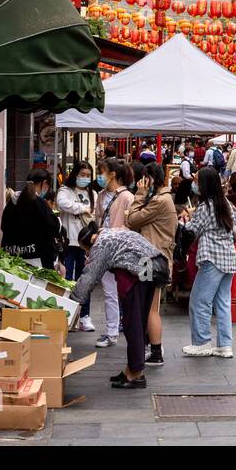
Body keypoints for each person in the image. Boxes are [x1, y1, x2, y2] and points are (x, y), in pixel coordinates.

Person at [73, 223, 164, 389]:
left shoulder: (102, 243)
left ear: (90, 241)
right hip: (148, 264)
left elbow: (90, 276)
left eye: (85, 249)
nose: (87, 254)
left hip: (137, 271)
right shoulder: (111, 232)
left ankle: (136, 374)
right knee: (138, 320)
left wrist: (74, 301)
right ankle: (131, 369)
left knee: (133, 323)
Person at [125, 161, 178, 368]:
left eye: (144, 179)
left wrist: (139, 194)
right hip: (155, 256)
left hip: (153, 259)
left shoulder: (160, 201)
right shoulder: (161, 199)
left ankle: (156, 351)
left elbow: (134, 219)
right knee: (148, 305)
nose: (141, 183)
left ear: (150, 179)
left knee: (150, 307)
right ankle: (151, 346)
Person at [181, 166, 236, 359]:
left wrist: (184, 222)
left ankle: (202, 342)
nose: (195, 184)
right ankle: (225, 345)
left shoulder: (205, 207)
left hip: (212, 258)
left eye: (197, 181)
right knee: (222, 303)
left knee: (199, 301)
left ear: (204, 184)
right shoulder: (226, 204)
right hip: (229, 258)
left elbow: (192, 230)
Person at [89, 158, 133, 349]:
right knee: (109, 292)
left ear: (112, 174)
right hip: (103, 248)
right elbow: (97, 218)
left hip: (120, 250)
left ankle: (129, 328)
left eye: (102, 172)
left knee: (124, 292)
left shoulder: (126, 197)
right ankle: (111, 331)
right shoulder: (100, 195)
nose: (99, 176)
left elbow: (130, 224)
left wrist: (109, 233)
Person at [55, 161, 96, 332]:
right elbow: (62, 203)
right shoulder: (65, 190)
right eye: (83, 175)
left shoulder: (92, 193)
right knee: (67, 280)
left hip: (85, 245)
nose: (85, 178)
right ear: (76, 174)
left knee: (85, 280)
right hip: (69, 242)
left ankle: (85, 316)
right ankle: (68, 314)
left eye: (88, 175)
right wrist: (82, 209)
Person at [0, 168, 59, 269]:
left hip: (12, 258)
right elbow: (54, 228)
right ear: (44, 183)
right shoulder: (40, 204)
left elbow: (3, 226)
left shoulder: (12, 202)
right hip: (38, 260)